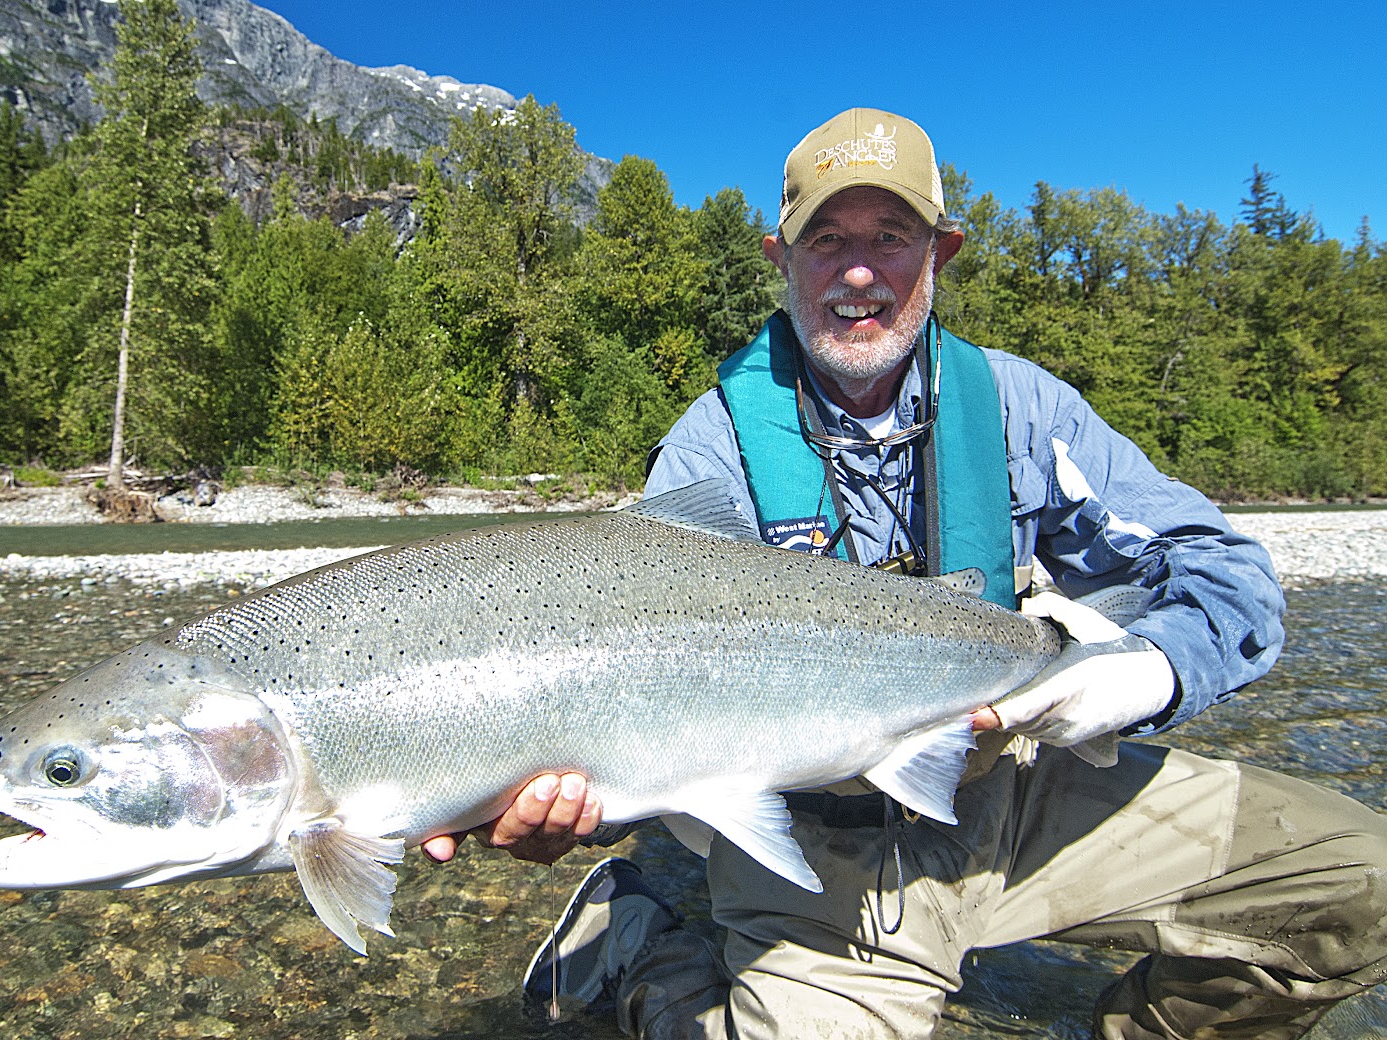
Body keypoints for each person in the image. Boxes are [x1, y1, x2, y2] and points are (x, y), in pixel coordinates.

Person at [421, 108, 1387, 1039]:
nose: (856, 270)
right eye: (825, 237)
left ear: (939, 255)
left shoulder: (1022, 411)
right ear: (779, 258)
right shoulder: (710, 457)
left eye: (891, 235)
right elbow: (626, 699)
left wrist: (1144, 675)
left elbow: (1226, 576)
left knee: (1360, 886)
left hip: (1011, 792)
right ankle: (631, 946)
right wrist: (560, 811)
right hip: (820, 839)